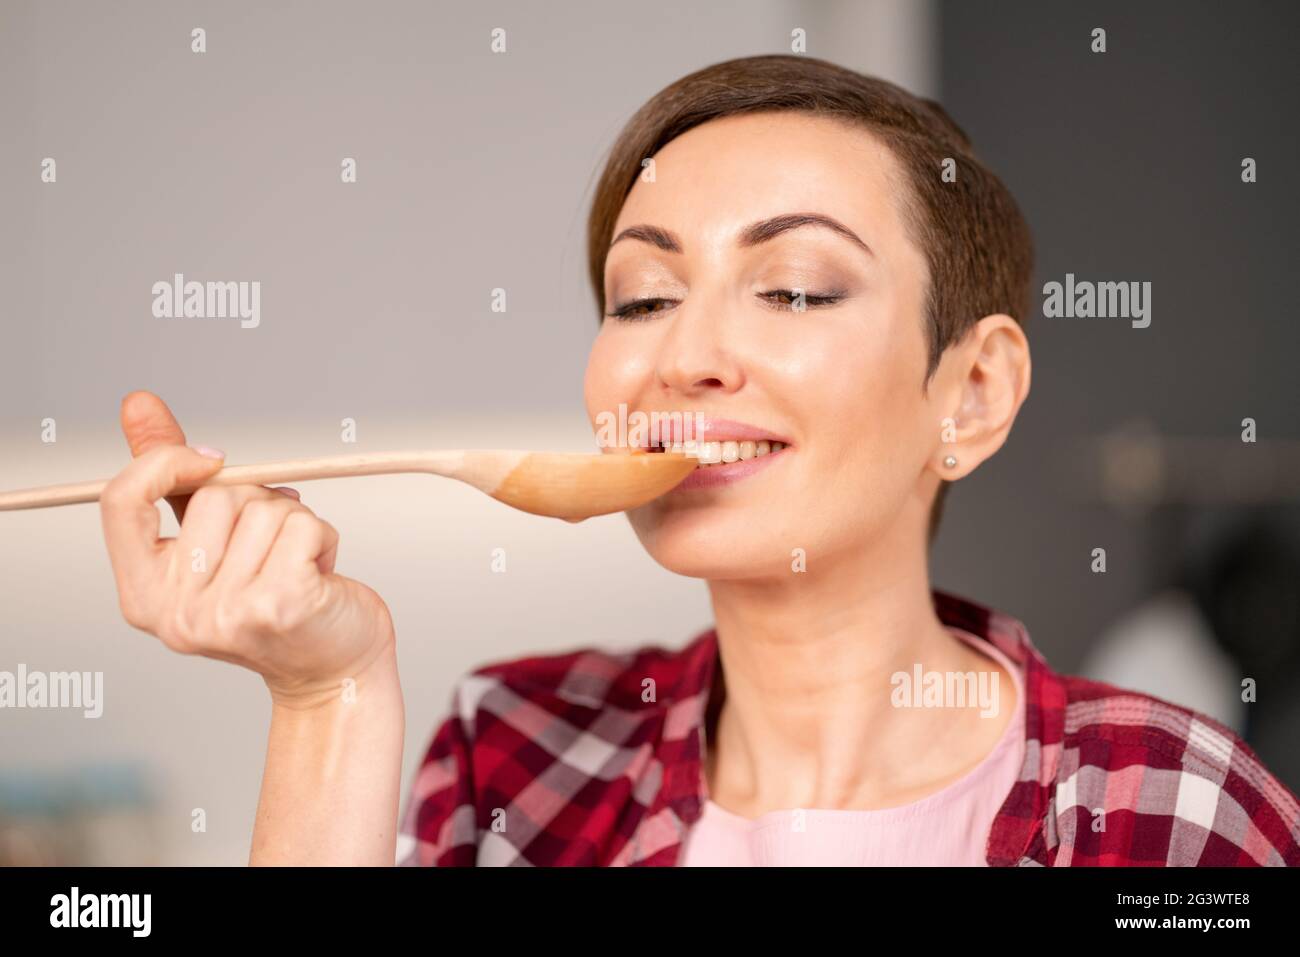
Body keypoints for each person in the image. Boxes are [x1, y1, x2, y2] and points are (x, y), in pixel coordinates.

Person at [99, 55, 1300, 866]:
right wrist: (325, 697)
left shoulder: (1169, 808)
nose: (684, 354)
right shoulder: (512, 754)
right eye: (641, 297)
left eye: (791, 287)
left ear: (972, 393)